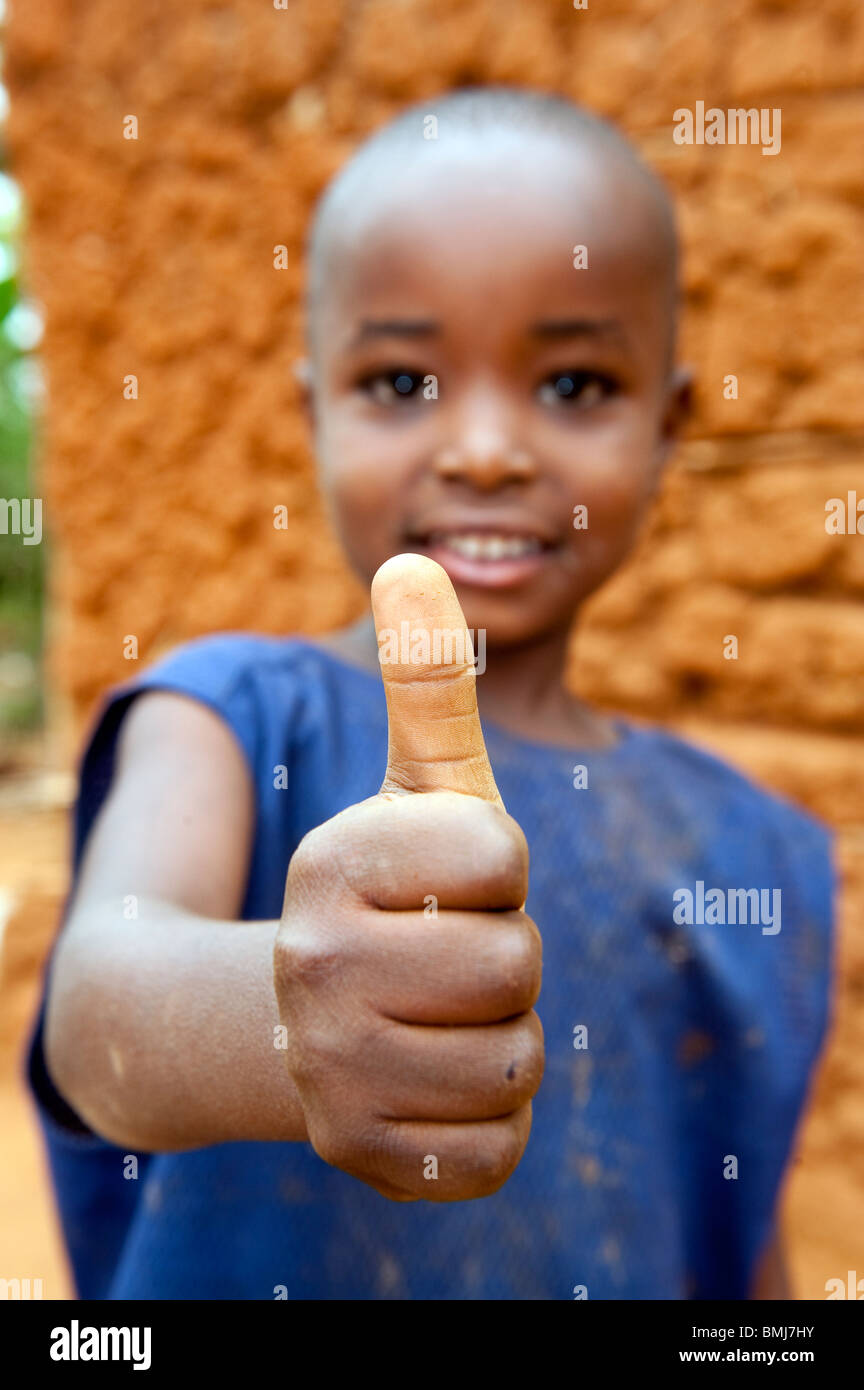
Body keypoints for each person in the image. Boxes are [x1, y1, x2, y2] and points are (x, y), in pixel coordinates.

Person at [29, 87, 833, 1300]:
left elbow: (733, 1224)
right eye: (405, 384)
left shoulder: (755, 849)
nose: (487, 449)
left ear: (670, 429)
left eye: (573, 385)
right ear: (313, 416)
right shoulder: (227, 718)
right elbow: (97, 1011)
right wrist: (290, 1020)